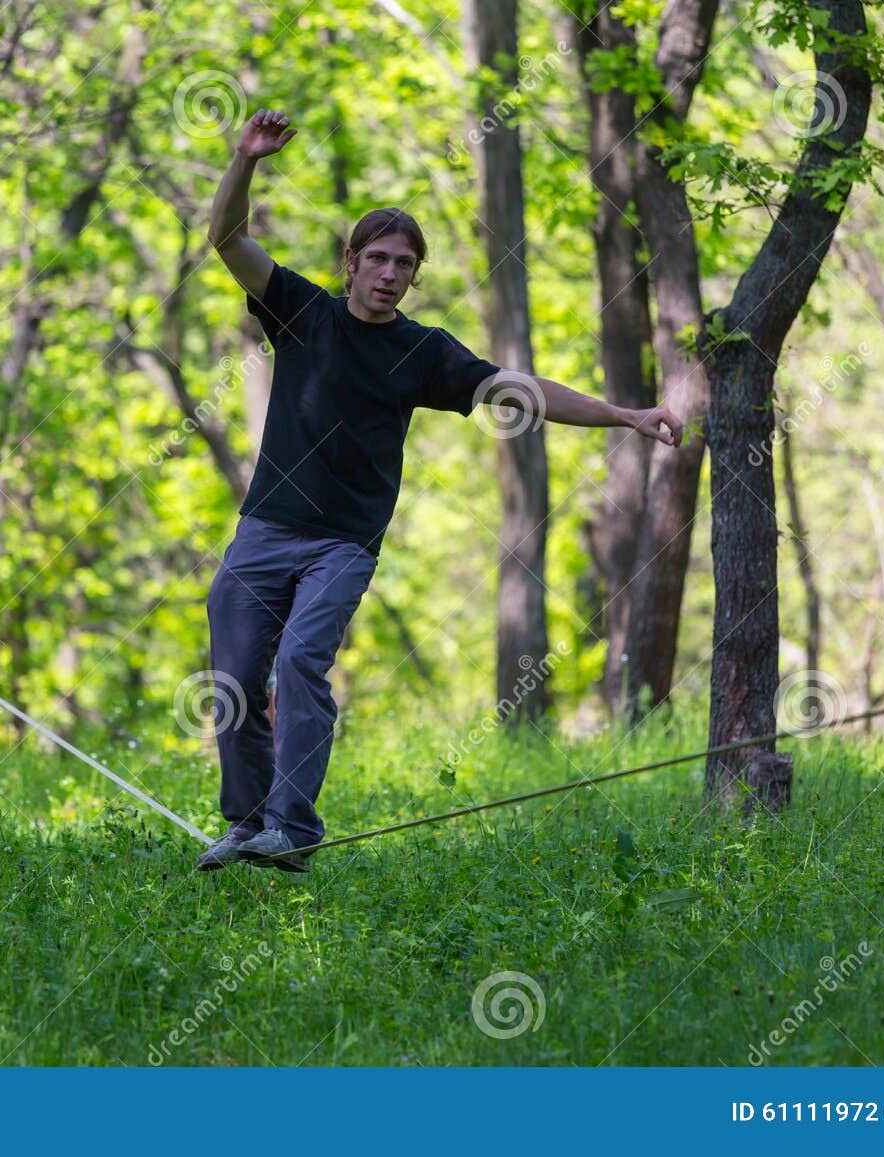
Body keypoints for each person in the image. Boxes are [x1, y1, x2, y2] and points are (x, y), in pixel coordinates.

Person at [196, 108, 683, 873]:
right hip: (263, 532)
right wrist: (245, 160)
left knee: (299, 664)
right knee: (234, 678)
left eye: (405, 265)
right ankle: (246, 820)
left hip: (342, 545)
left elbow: (522, 392)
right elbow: (225, 239)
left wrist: (625, 414)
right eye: (380, 258)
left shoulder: (422, 352)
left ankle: (291, 828)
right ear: (350, 260)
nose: (391, 274)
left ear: (414, 277)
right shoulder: (301, 311)